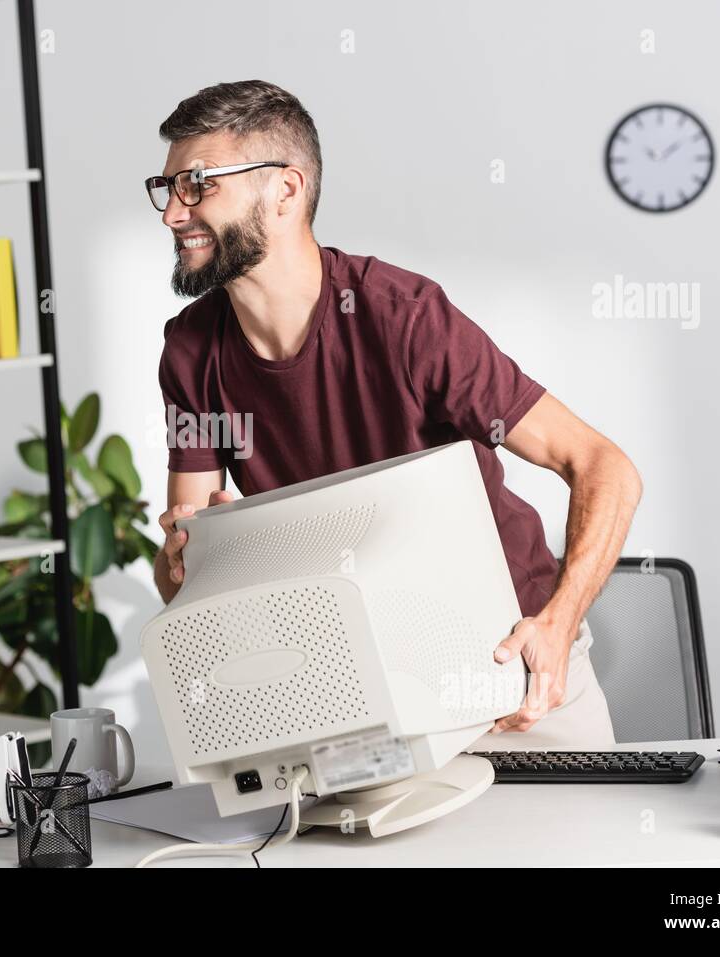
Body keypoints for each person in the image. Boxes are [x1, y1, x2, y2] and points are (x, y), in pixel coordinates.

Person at [148, 80, 643, 748]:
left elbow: (603, 466)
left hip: (509, 666)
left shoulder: (405, 320)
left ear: (286, 191)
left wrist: (556, 625)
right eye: (168, 187)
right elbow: (180, 575)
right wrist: (186, 557)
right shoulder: (190, 350)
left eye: (198, 184)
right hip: (349, 683)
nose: (173, 214)